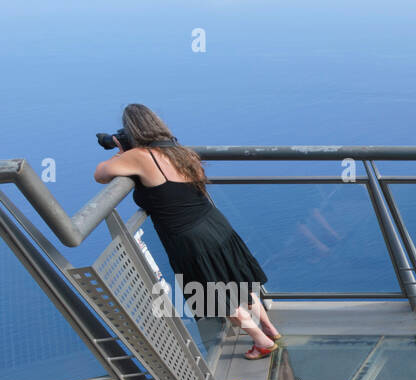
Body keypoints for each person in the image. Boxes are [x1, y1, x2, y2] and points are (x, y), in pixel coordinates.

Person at [93, 103, 278, 359]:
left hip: (189, 239)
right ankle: (270, 328)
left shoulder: (139, 157)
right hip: (216, 225)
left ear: (132, 131)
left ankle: (261, 342)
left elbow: (100, 175)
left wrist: (121, 152)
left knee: (215, 296)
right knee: (238, 285)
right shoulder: (183, 153)